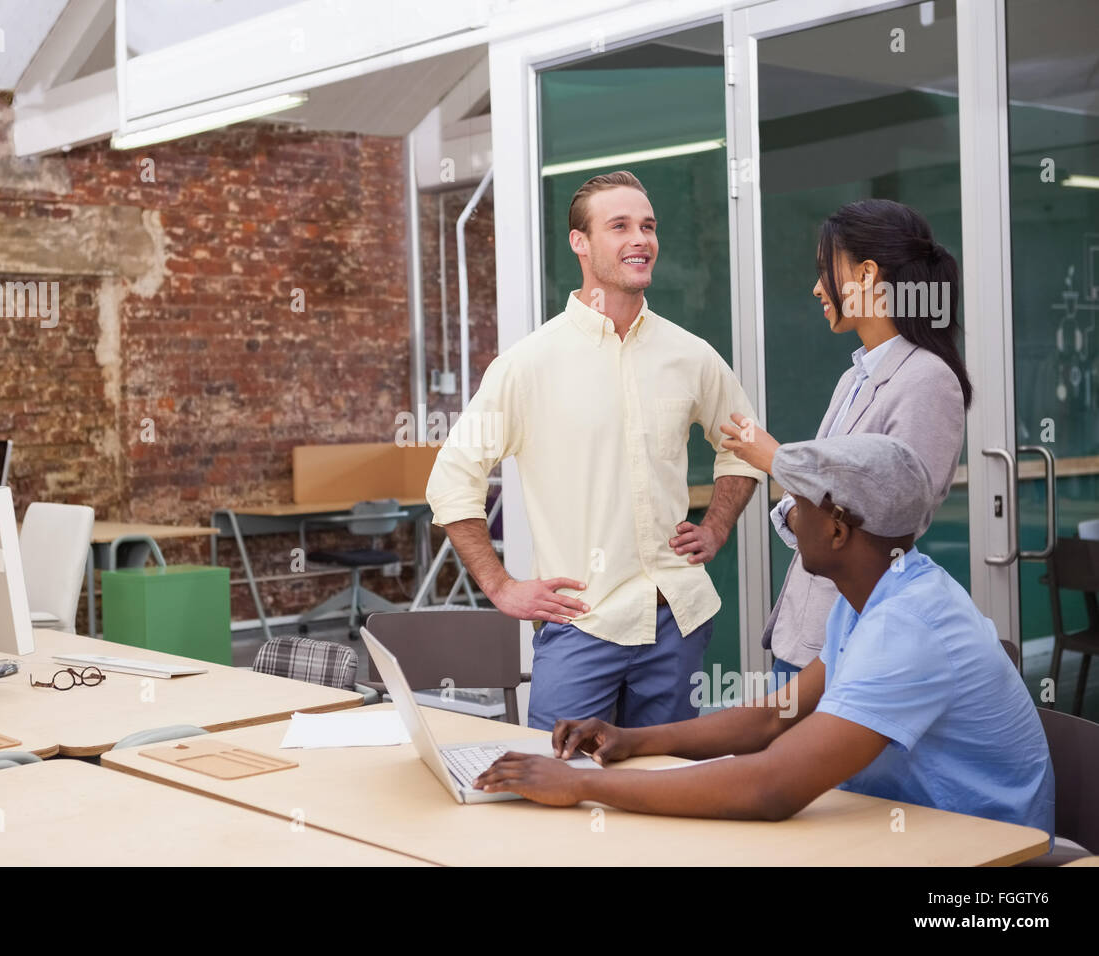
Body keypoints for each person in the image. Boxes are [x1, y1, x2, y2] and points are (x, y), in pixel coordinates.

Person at [473, 434, 1055, 845]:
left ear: (837, 527)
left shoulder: (909, 626)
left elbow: (772, 787)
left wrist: (581, 787)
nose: (787, 519)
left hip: (980, 859)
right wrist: (632, 740)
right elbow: (772, 719)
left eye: (797, 506)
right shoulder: (875, 597)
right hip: (900, 832)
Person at [425, 170, 762, 731]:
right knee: (560, 789)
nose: (641, 239)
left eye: (648, 226)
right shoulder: (529, 364)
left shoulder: (691, 355)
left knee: (667, 789)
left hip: (677, 621)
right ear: (580, 243)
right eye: (620, 226)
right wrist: (501, 586)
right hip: (581, 625)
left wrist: (718, 526)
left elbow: (746, 445)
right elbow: (452, 479)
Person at [719, 198, 971, 686]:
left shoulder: (927, 379)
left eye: (825, 271)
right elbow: (819, 503)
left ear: (868, 273)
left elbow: (899, 512)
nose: (817, 288)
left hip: (854, 637)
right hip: (807, 631)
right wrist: (806, 496)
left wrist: (776, 459)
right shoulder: (855, 375)